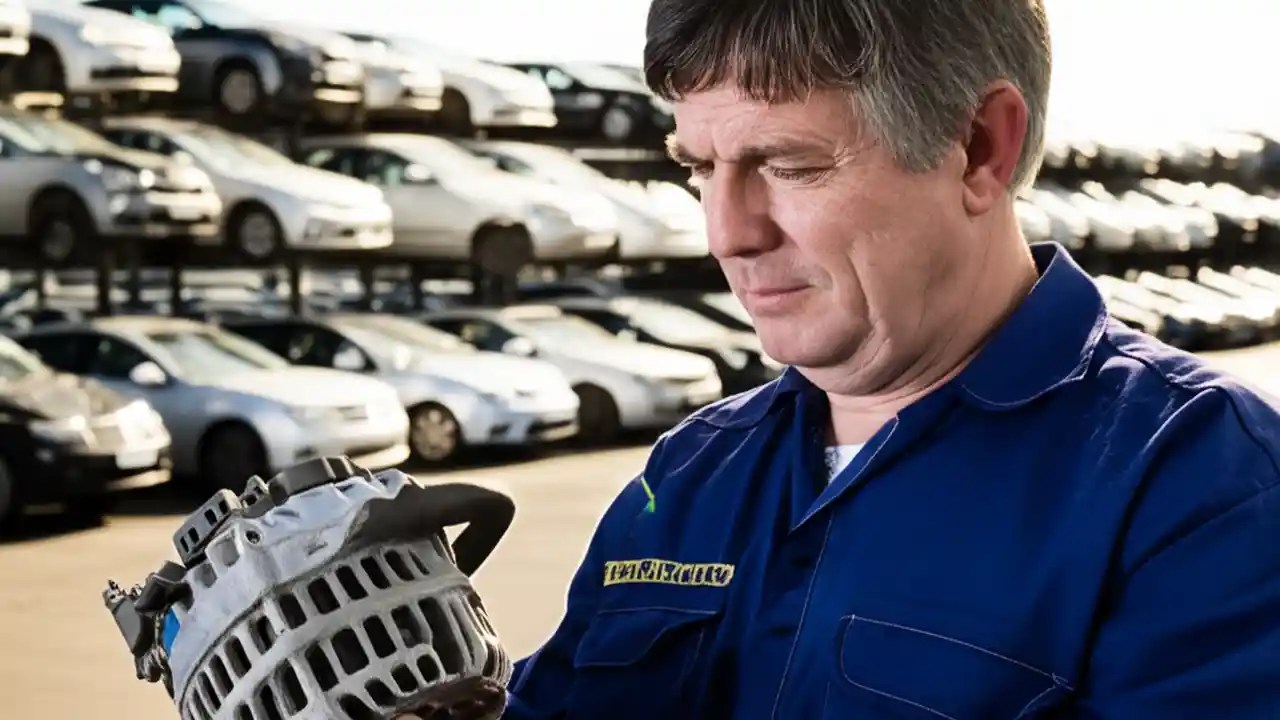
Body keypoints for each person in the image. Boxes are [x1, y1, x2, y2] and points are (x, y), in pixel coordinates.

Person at [493, 1, 1280, 718]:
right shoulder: (693, 471)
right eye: (700, 169)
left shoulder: (1200, 481)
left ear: (978, 149)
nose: (728, 233)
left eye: (789, 166)